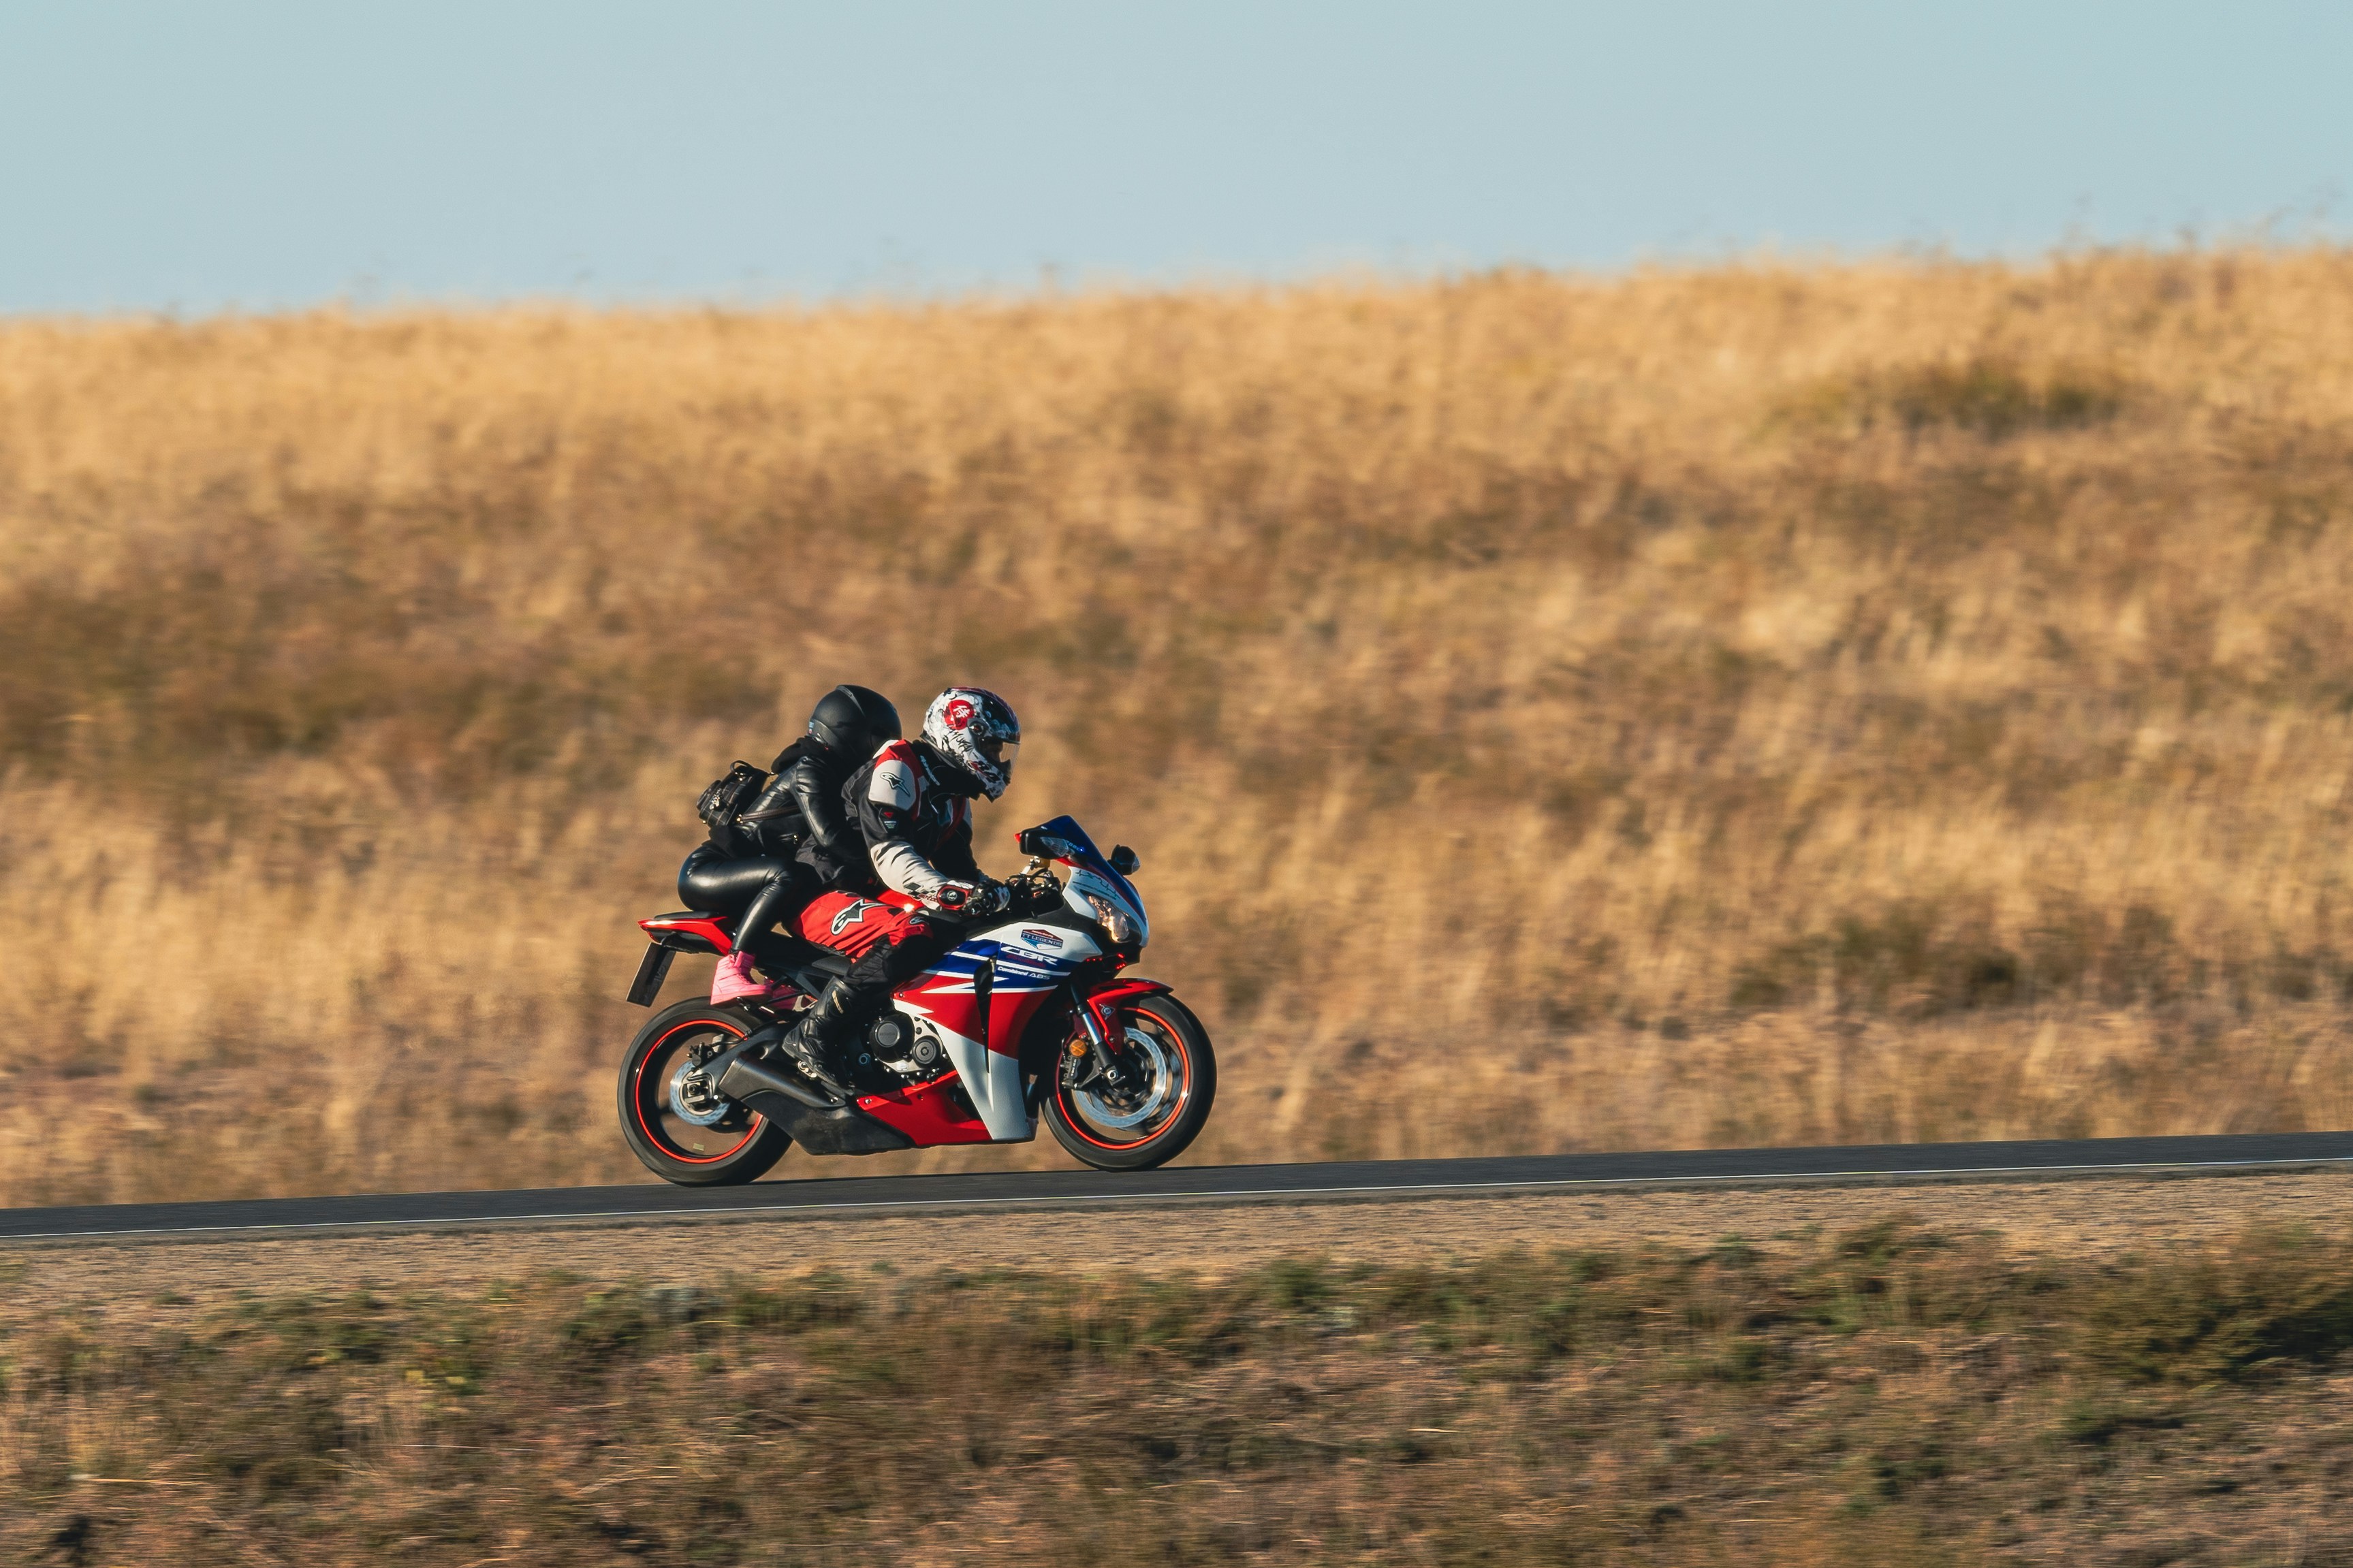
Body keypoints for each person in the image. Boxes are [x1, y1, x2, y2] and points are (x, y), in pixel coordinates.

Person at [771, 686, 1023, 1090]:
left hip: (870, 893)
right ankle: (812, 1035)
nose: (998, 758)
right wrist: (948, 893)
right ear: (961, 734)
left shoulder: (955, 798)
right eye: (991, 746)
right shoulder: (899, 766)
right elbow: (889, 854)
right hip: (819, 890)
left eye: (1000, 749)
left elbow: (962, 871)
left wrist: (1010, 896)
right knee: (911, 932)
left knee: (971, 931)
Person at [676, 684, 902, 1004]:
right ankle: (731, 970)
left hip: (752, 877)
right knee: (787, 874)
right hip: (707, 872)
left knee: (810, 892)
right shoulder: (810, 770)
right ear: (849, 731)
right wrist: (885, 868)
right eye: (876, 741)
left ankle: (784, 978)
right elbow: (830, 836)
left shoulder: (836, 777)